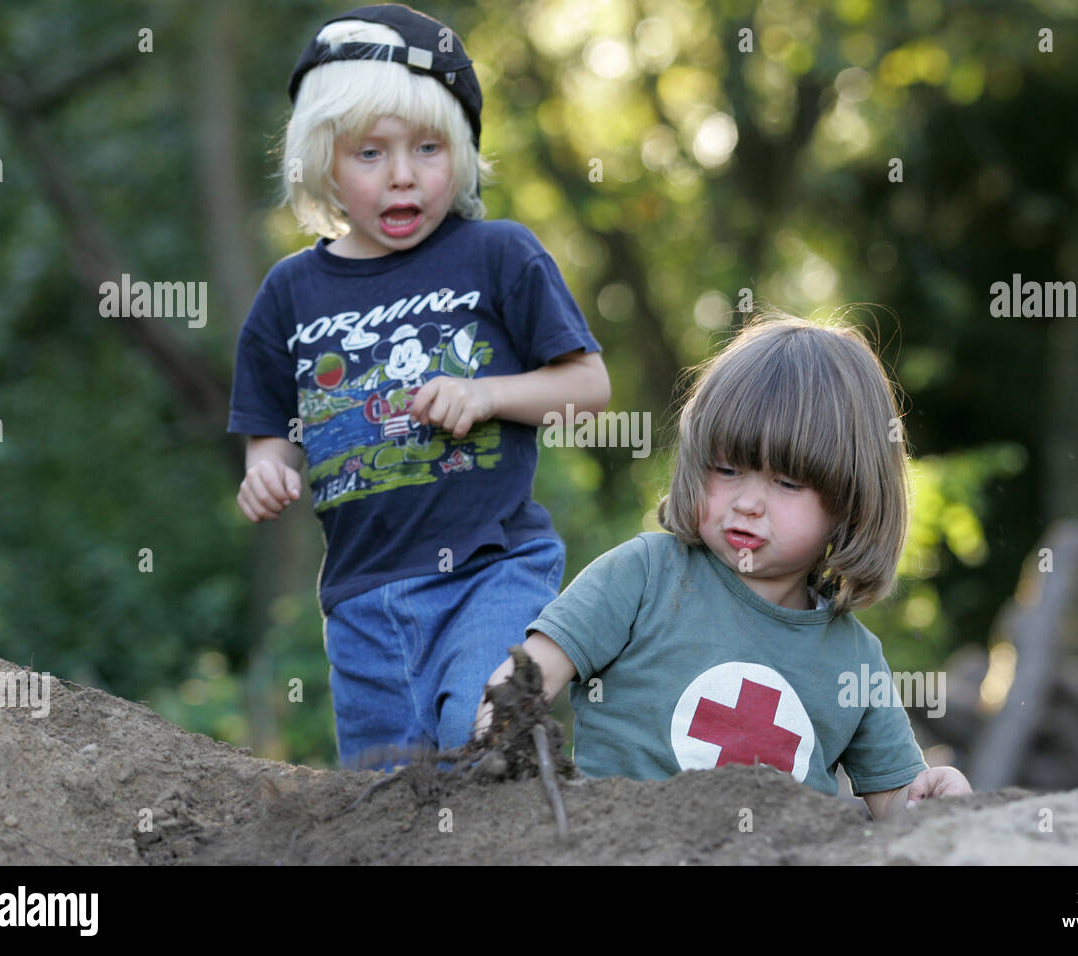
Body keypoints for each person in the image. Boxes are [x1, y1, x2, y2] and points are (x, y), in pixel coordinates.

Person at [228, 4, 609, 769]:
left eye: (428, 148)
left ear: (461, 153)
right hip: (362, 597)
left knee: (481, 738)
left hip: (490, 566)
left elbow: (589, 385)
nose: (403, 174)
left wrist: (488, 394)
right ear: (322, 160)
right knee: (386, 792)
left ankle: (520, 780)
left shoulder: (498, 254)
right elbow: (272, 419)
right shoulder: (290, 292)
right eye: (370, 152)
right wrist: (267, 467)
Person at [476, 312, 971, 820]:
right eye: (728, 469)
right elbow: (527, 681)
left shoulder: (856, 660)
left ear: (850, 503)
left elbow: (894, 803)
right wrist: (492, 755)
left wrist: (927, 796)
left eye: (787, 483)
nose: (748, 503)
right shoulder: (643, 576)